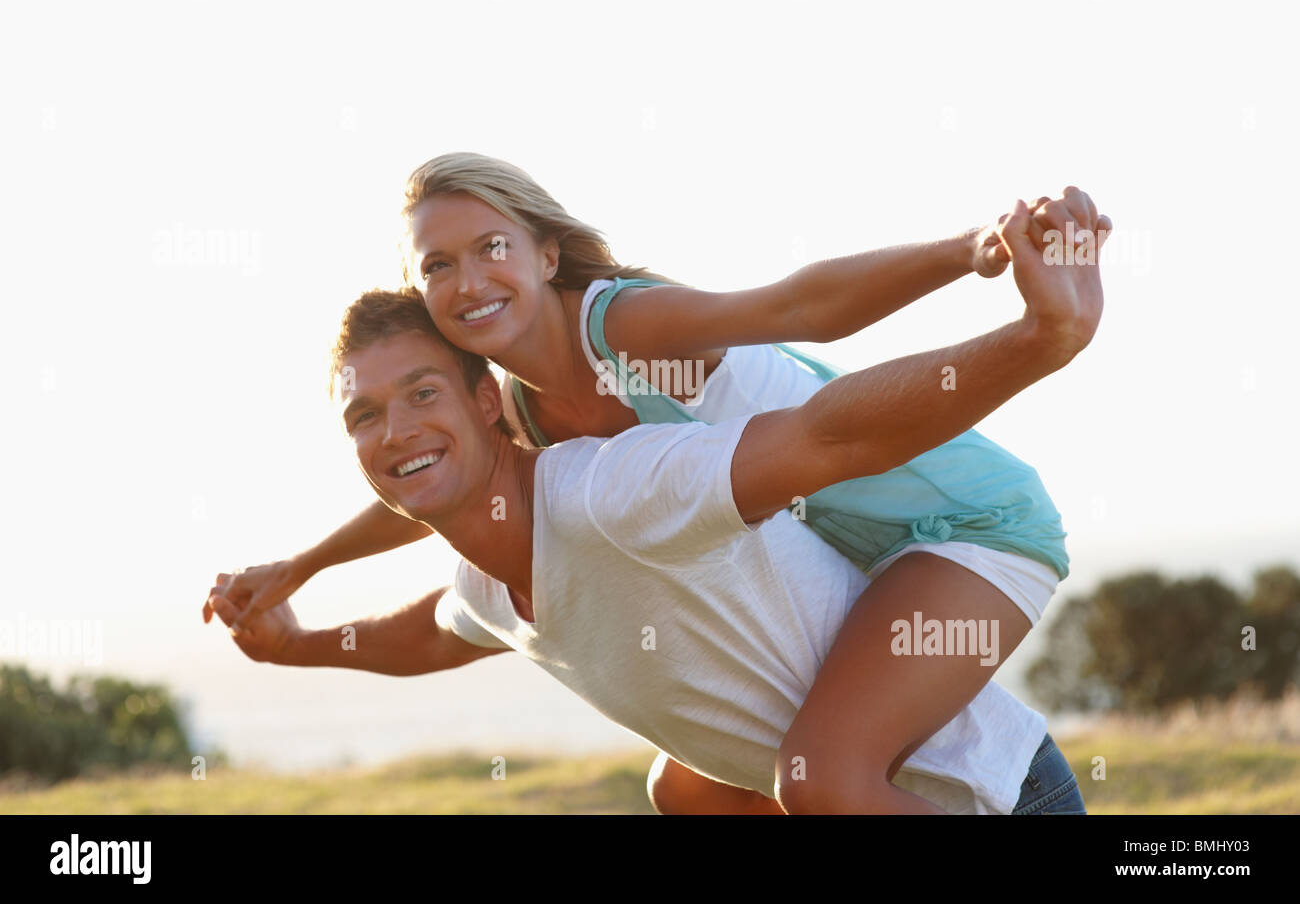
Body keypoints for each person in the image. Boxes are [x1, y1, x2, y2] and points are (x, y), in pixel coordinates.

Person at [218, 152, 1107, 810]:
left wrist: (972, 252)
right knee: (686, 789)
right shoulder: (521, 413)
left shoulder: (623, 330)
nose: (469, 279)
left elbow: (799, 307)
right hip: (850, 544)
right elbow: (426, 489)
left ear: (546, 255)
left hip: (963, 526)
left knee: (824, 777)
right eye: (437, 266)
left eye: (490, 247)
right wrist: (300, 571)